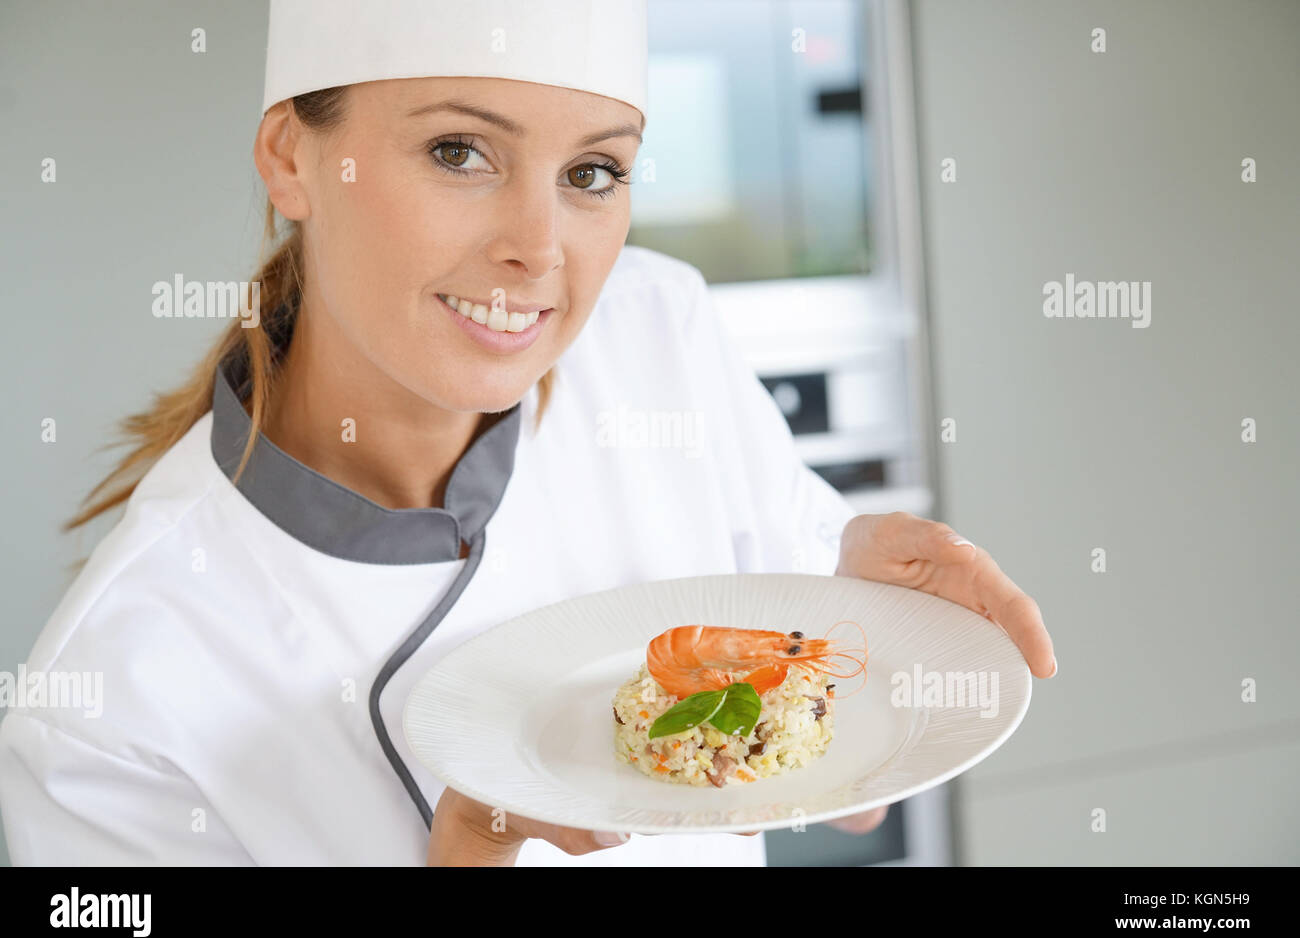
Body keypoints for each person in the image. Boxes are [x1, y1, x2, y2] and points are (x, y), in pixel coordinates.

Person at [0, 0, 1055, 867]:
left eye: (592, 173)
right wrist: (467, 847)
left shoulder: (658, 332)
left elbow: (827, 760)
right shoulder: (110, 710)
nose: (539, 251)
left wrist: (857, 591)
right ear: (290, 157)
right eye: (460, 152)